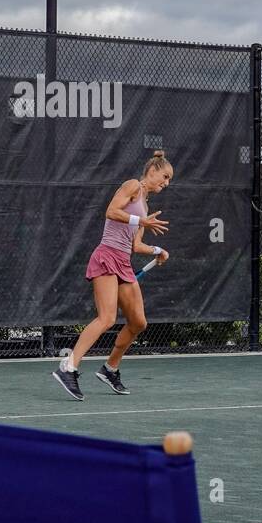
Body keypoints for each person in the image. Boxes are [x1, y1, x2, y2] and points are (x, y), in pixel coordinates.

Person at [52, 151, 172, 400]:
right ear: (151, 171)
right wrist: (141, 220)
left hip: (123, 262)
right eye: (165, 176)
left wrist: (158, 250)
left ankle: (110, 369)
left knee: (138, 322)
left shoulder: (146, 206)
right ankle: (69, 366)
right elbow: (111, 211)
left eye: (170, 180)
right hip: (106, 255)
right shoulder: (132, 186)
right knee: (106, 318)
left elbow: (135, 246)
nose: (167, 182)